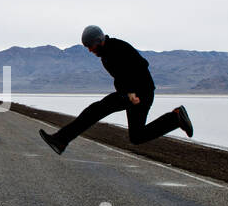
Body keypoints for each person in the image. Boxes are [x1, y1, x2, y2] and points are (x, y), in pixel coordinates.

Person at [39, 25, 193, 154]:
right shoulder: (106, 55)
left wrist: (132, 91)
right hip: (132, 94)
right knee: (136, 136)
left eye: (90, 46)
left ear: (98, 41)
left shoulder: (117, 47)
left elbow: (141, 64)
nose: (89, 50)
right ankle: (175, 118)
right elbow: (121, 76)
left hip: (139, 93)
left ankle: (60, 140)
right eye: (87, 47)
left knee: (94, 111)